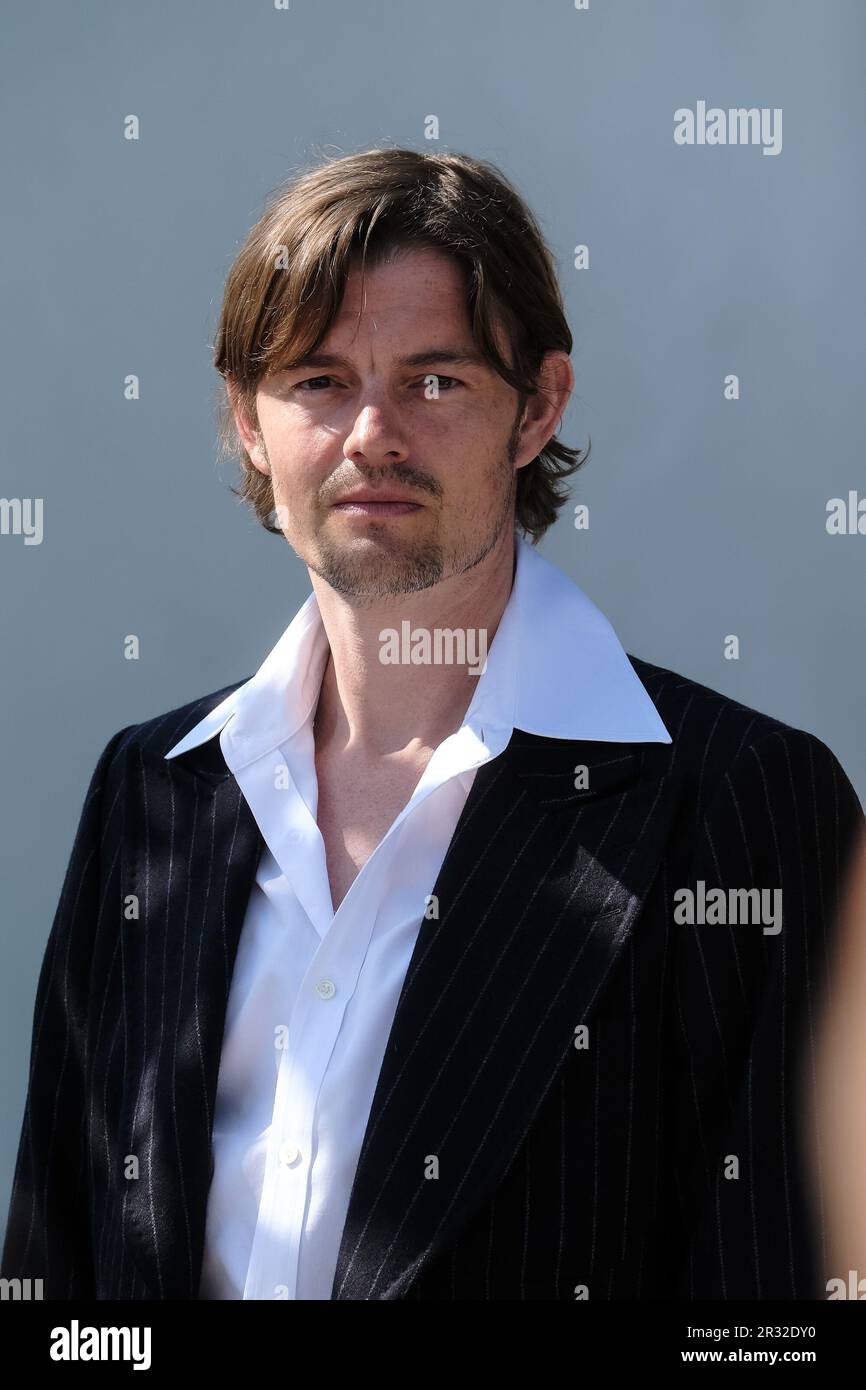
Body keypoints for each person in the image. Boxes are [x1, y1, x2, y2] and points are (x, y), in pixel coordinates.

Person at [3, 148, 863, 1300]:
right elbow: (58, 1276)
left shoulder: (745, 802)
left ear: (536, 407)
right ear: (245, 422)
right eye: (315, 380)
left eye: (435, 381)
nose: (372, 433)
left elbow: (777, 1309)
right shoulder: (151, 791)